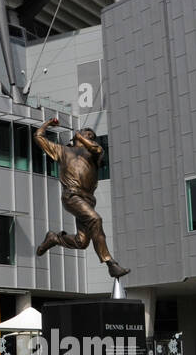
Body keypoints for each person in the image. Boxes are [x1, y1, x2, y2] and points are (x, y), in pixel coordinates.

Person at [33, 117, 131, 280]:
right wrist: (48, 124)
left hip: (88, 200)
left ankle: (54, 238)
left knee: (82, 242)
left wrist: (81, 137)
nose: (90, 137)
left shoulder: (93, 153)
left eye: (92, 136)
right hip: (72, 195)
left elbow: (97, 150)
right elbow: (38, 137)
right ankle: (110, 264)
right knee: (96, 219)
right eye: (88, 134)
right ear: (76, 136)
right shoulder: (62, 151)